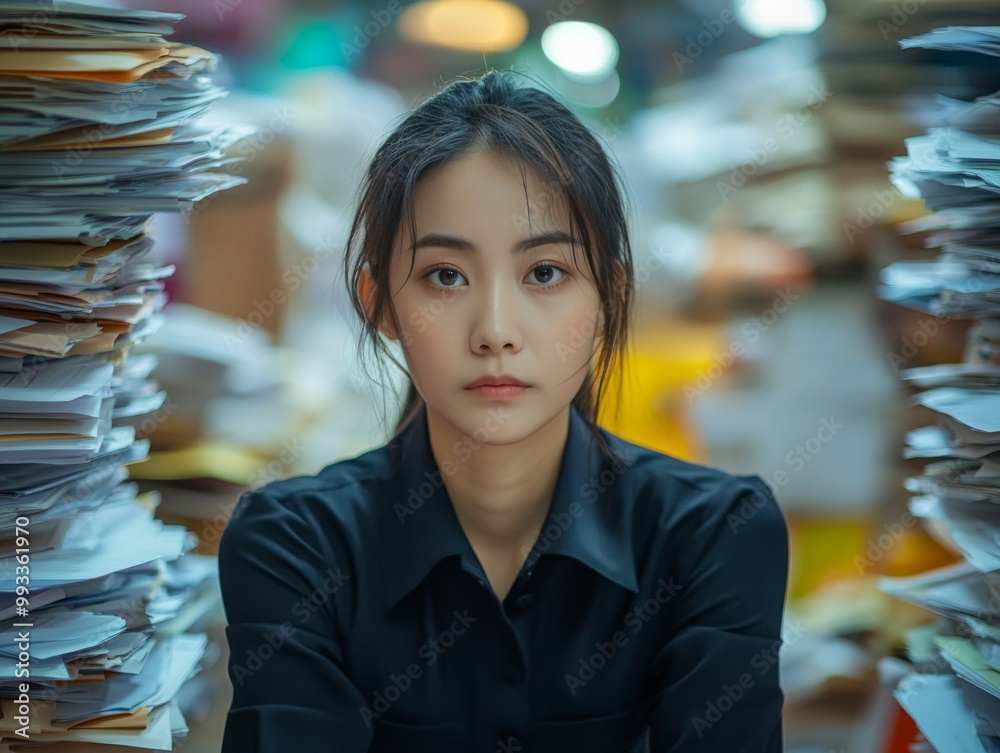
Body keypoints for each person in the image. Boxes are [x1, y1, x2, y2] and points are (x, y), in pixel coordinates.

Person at [218, 68, 789, 753]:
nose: (494, 330)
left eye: (545, 272)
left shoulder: (714, 535)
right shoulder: (293, 545)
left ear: (609, 295)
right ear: (380, 304)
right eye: (445, 276)